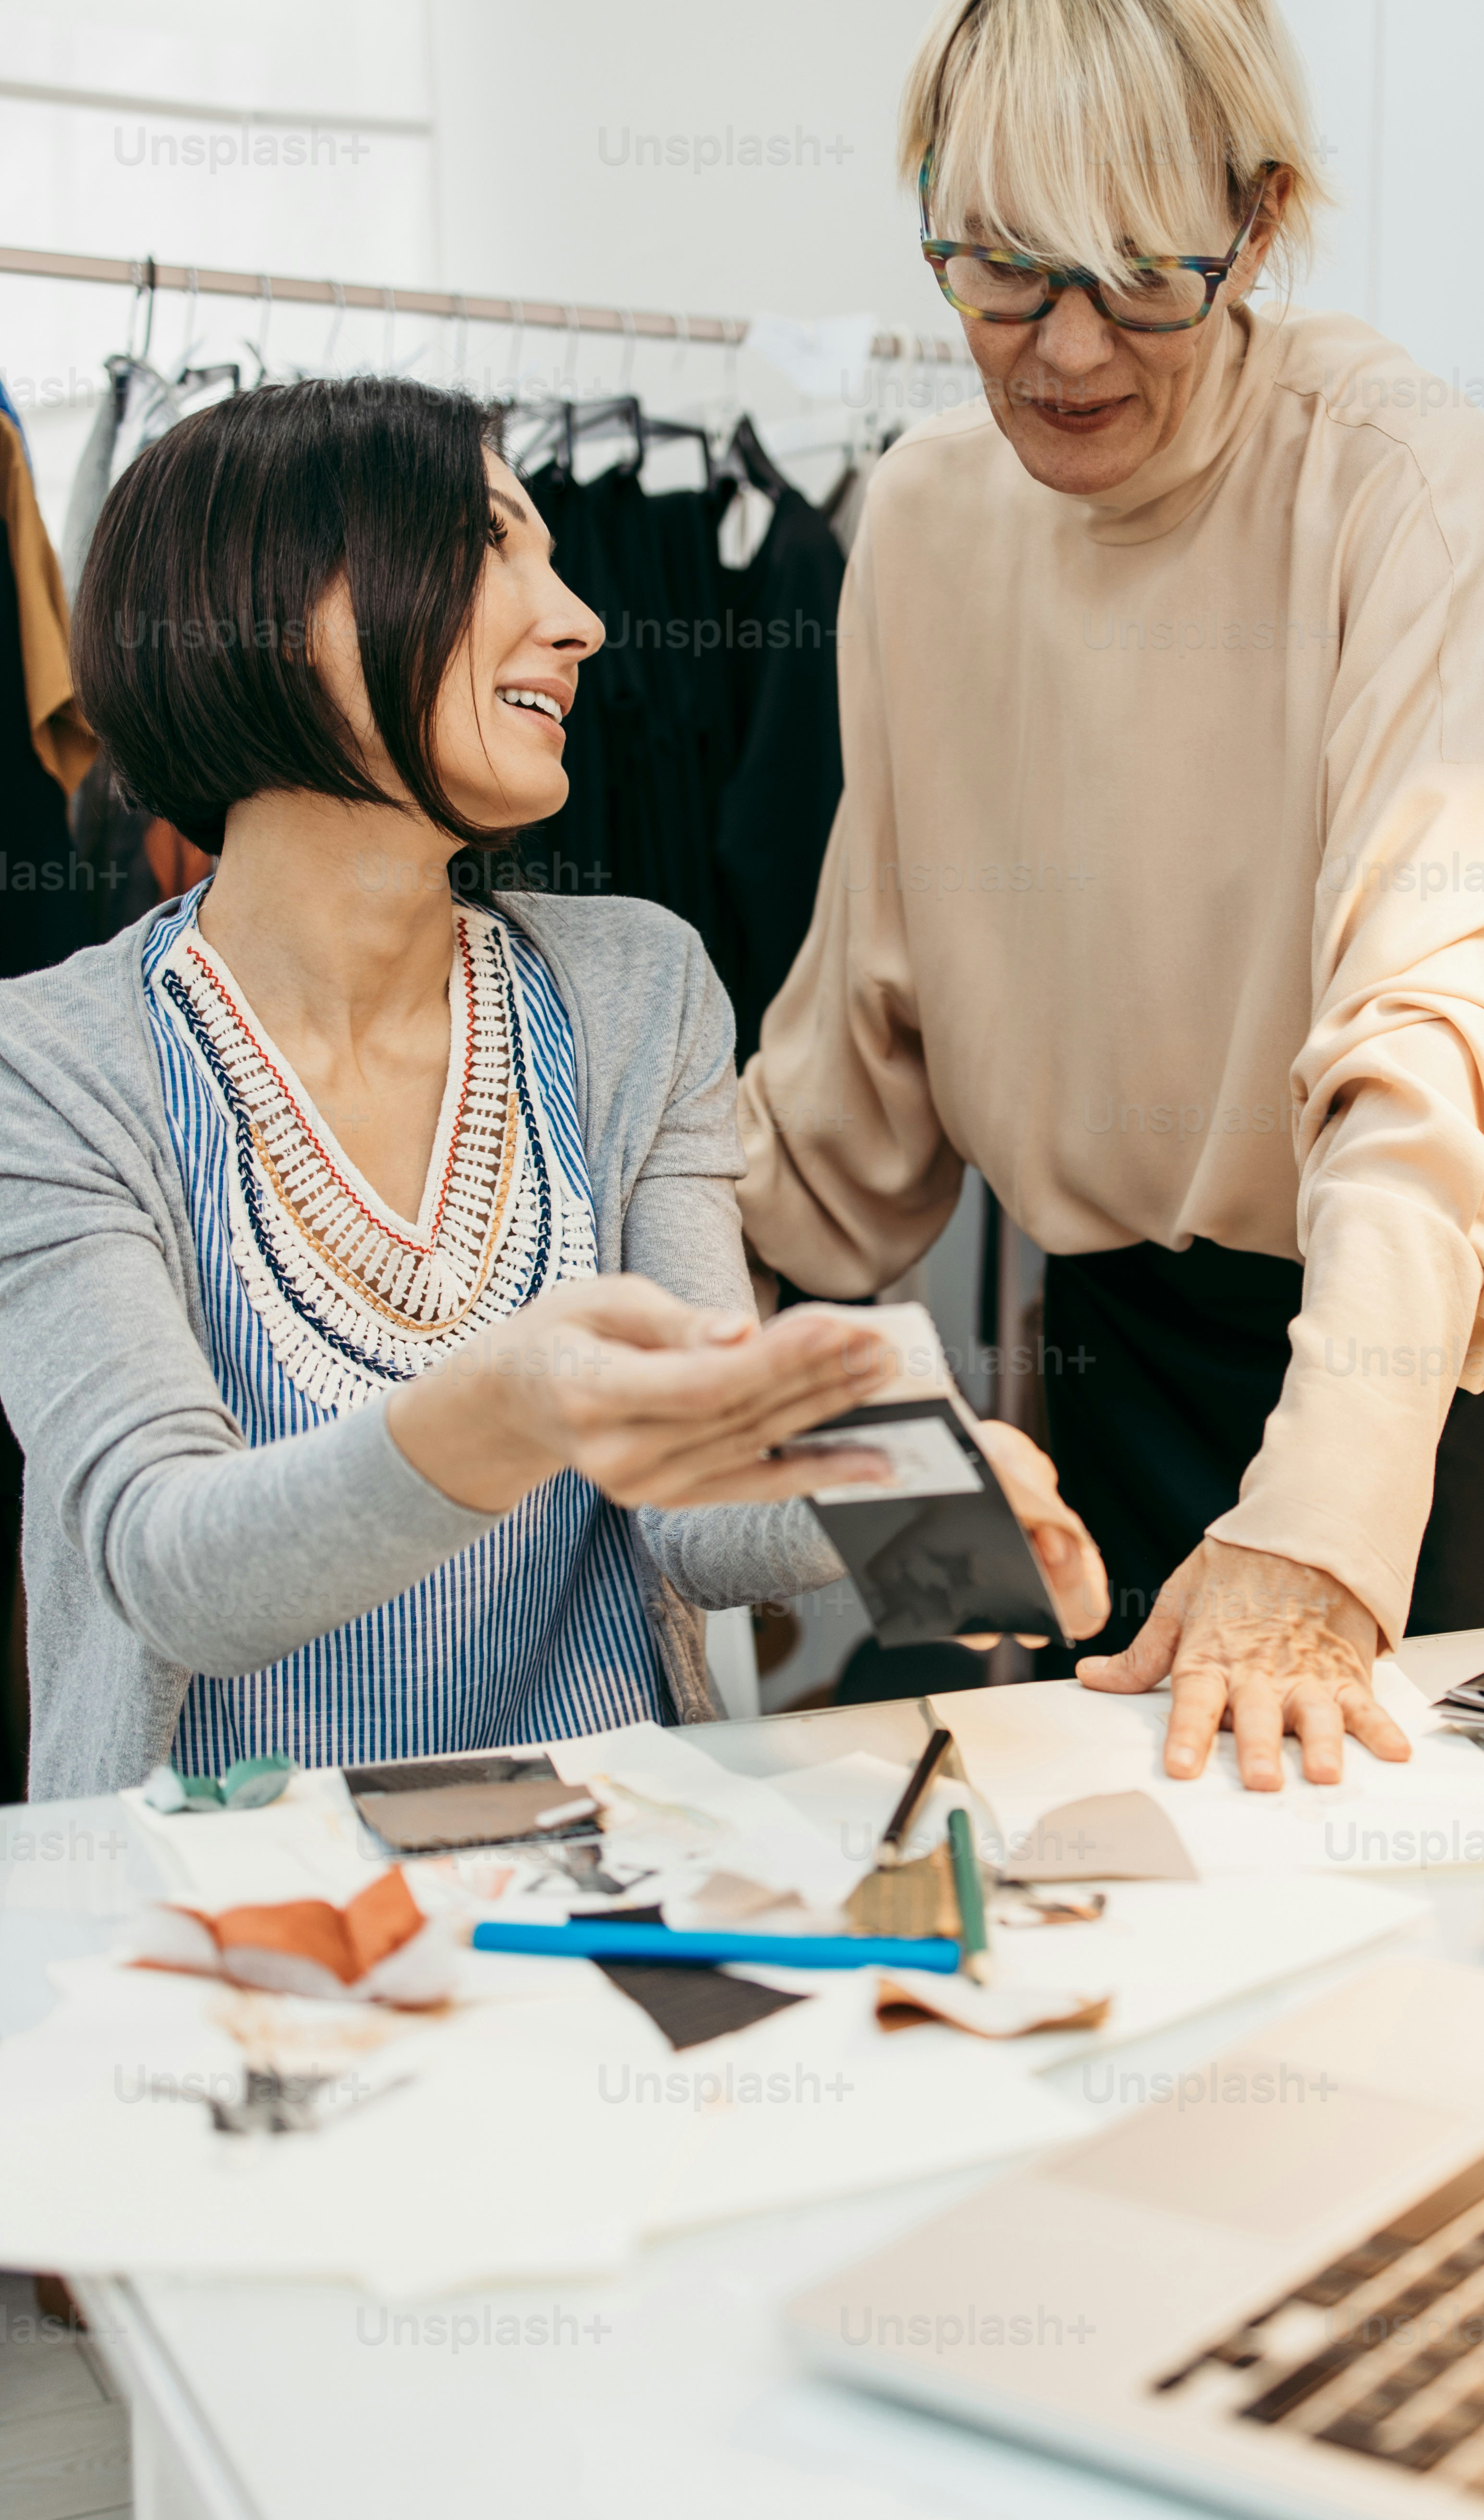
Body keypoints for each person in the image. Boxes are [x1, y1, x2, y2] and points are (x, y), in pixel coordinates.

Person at [739, 0, 1484, 1796]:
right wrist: (678, 1336)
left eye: (1146, 275)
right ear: (927, 219)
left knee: (1395, 1887)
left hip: (1425, 1317)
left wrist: (1316, 1534)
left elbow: (1426, 1048)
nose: (1063, 355)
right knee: (1108, 1850)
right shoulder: (917, 517)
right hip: (1123, 1328)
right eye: (1000, 266)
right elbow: (861, 1043)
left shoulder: (1392, 477)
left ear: (1263, 219)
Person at [0, 376, 1102, 1798]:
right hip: (229, 1932)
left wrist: (925, 1491)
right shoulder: (55, 1069)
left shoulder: (642, 990)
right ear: (272, 617)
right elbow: (171, 1568)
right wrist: (508, 1408)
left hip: (605, 1873)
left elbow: (695, 1510)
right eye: (487, 547)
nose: (579, 617)